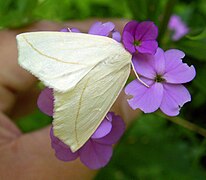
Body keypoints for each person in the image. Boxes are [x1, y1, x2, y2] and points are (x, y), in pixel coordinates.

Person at [0, 19, 138, 179]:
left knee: (76, 120)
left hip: (90, 74)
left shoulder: (107, 45)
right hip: (79, 114)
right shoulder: (109, 46)